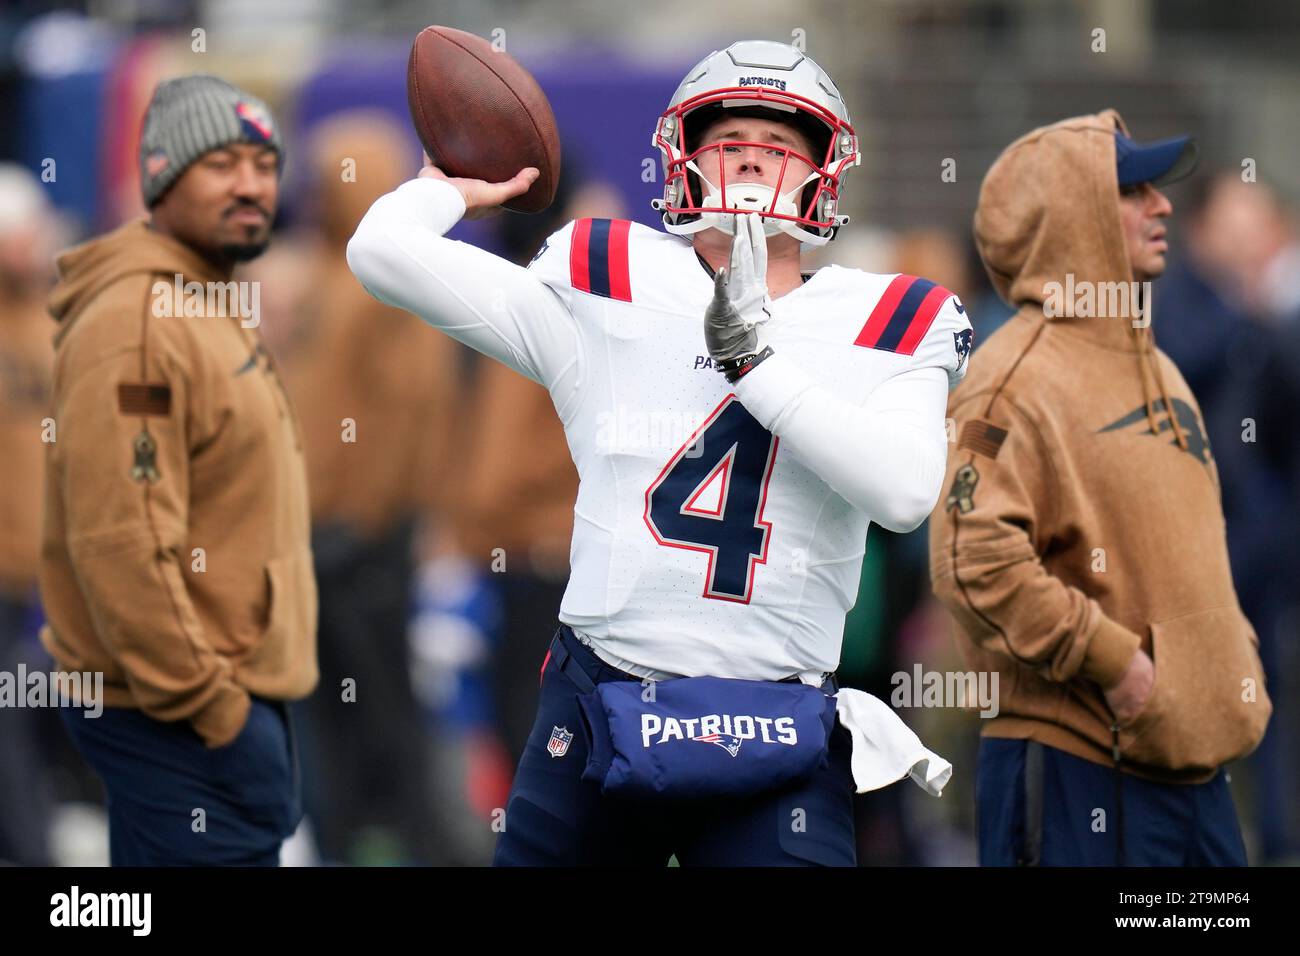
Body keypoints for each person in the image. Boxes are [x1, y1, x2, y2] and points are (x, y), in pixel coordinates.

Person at [349, 41, 970, 866]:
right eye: (728, 139)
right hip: (598, 699)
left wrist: (757, 366)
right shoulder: (611, 279)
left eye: (781, 143)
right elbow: (381, 254)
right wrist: (440, 191)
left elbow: (903, 491)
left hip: (776, 720)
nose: (753, 158)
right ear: (682, 159)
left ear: (829, 168)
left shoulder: (890, 315)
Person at [928, 110, 1272, 866]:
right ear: (1070, 214)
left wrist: (1227, 652)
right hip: (1080, 770)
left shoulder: (1161, 363)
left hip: (1195, 779)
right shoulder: (1012, 375)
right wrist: (1117, 664)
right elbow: (971, 560)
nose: (1164, 206)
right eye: (1133, 189)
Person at [41, 75, 318, 866]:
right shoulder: (137, 320)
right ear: (163, 175)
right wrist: (217, 714)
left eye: (265, 166)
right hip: (179, 715)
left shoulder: (199, 299)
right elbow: (119, 541)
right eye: (222, 164)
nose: (251, 185)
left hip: (209, 705)